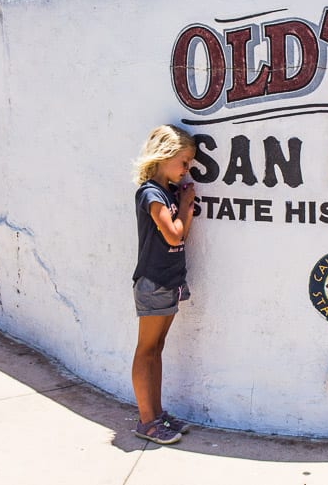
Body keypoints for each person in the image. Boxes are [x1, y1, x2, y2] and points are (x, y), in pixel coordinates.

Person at [130, 124, 197, 444]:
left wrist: (183, 204)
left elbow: (179, 235)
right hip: (154, 281)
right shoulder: (151, 193)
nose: (187, 170)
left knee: (157, 349)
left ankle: (156, 414)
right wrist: (185, 206)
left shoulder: (168, 192)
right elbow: (173, 233)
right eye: (184, 162)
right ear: (164, 155)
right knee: (147, 350)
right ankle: (146, 421)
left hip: (170, 280)